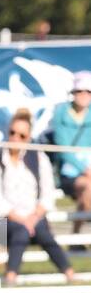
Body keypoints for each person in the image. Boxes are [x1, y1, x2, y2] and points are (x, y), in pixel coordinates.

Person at [0, 107, 75, 285]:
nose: (16, 139)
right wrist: (21, 219)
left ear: (29, 137)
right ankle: (11, 277)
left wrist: (33, 217)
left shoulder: (39, 158)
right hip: (5, 221)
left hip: (35, 218)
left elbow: (47, 193)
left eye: (22, 135)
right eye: (12, 133)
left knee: (42, 232)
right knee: (21, 230)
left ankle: (69, 273)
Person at [50, 72, 91, 228]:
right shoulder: (60, 113)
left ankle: (76, 235)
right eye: (80, 91)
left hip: (88, 173)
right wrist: (86, 170)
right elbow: (63, 150)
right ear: (73, 93)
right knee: (88, 186)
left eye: (88, 91)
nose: (84, 95)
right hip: (68, 173)